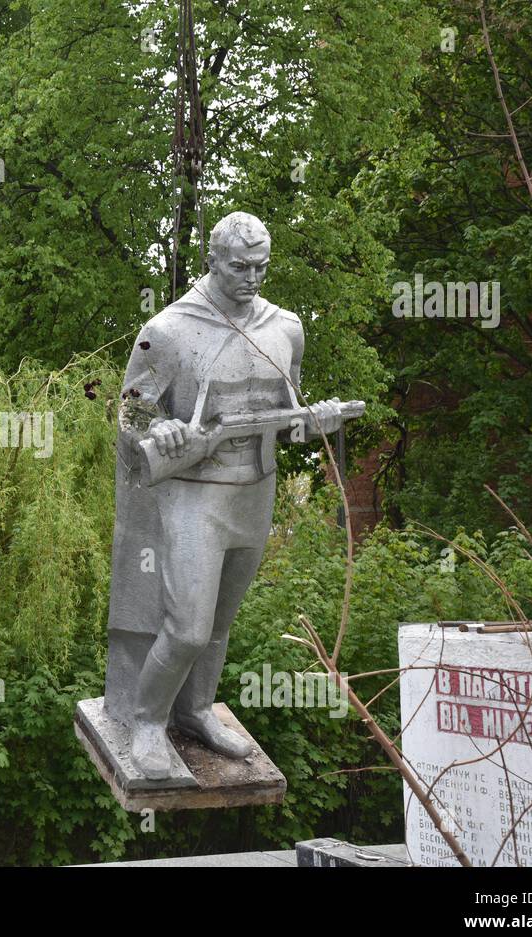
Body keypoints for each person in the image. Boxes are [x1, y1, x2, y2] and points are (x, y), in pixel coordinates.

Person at [112, 211, 343, 778]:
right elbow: (129, 409)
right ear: (211, 261)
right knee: (187, 625)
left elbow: (287, 416)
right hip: (194, 495)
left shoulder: (286, 327)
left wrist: (316, 422)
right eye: (240, 266)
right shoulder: (168, 329)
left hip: (254, 492)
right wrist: (156, 428)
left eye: (262, 266)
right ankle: (146, 720)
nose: (252, 278)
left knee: (218, 621)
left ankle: (194, 711)